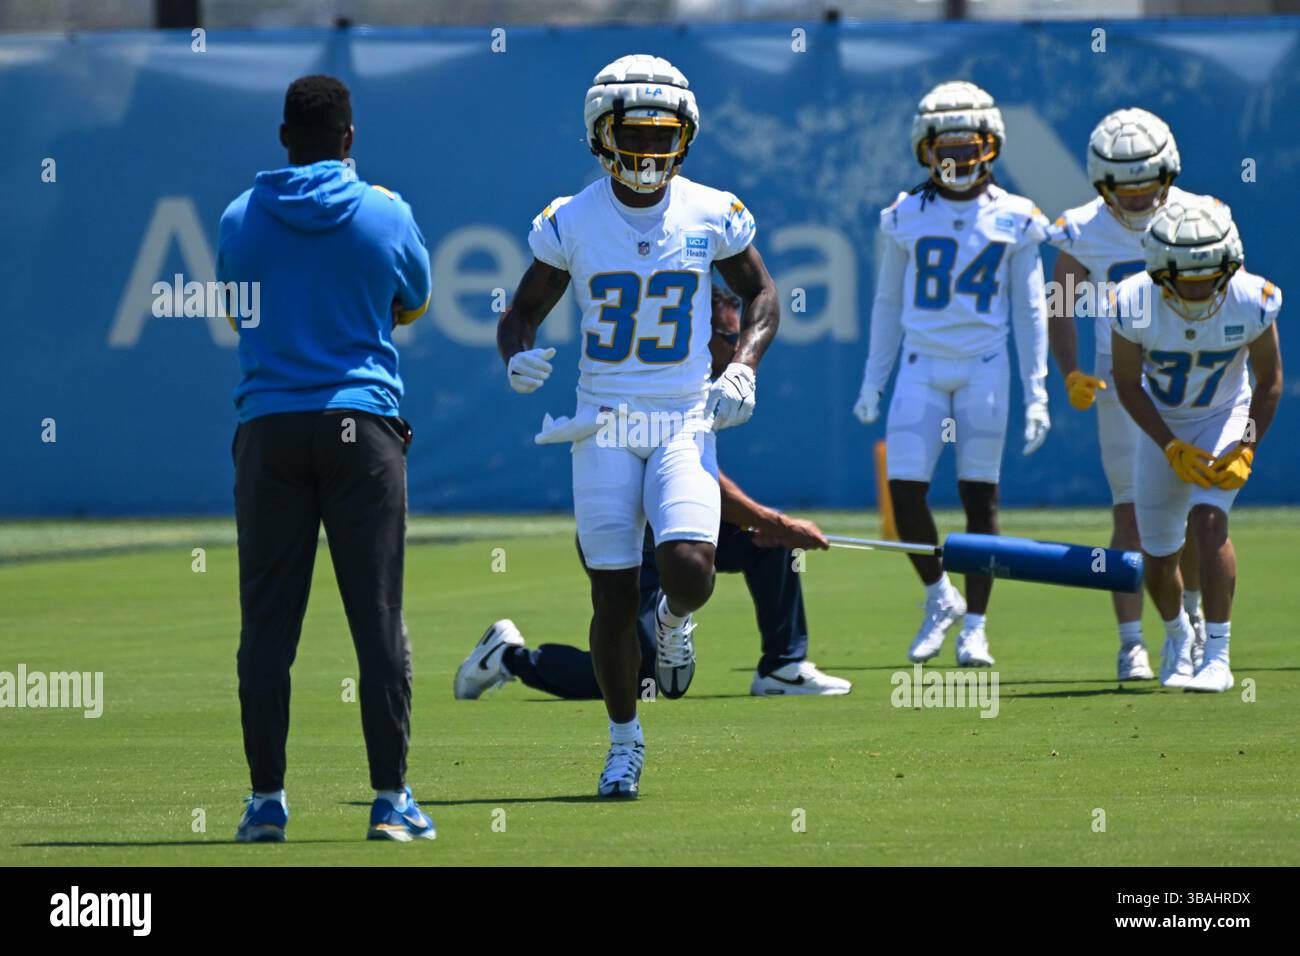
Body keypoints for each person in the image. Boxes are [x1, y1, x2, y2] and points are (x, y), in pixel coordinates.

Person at [495, 54, 779, 799]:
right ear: (601, 134)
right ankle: (624, 742)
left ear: (686, 137)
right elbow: (521, 309)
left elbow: (763, 295)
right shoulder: (573, 218)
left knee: (690, 569)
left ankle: (675, 622)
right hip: (603, 423)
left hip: (685, 416)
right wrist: (517, 355)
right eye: (636, 133)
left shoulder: (711, 210)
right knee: (610, 599)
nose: (650, 151)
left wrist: (742, 365)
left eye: (664, 134)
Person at [219, 75, 436, 842]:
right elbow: (412, 301)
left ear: (284, 137)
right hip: (360, 428)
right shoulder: (386, 212)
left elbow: (238, 306)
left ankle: (265, 804)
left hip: (271, 429)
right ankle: (390, 802)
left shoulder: (241, 218)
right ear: (350, 138)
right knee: (377, 621)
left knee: (266, 629)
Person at [459, 287, 849, 702]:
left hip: (678, 523)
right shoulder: (659, 374)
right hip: (633, 536)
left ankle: (782, 668)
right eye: (728, 337)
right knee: (636, 675)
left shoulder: (716, 383)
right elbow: (704, 475)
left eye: (739, 338)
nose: (738, 348)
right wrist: (774, 520)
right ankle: (508, 657)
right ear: (697, 333)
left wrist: (768, 523)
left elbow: (698, 473)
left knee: (768, 540)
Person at [852, 81, 1051, 667]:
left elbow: (1031, 308)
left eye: (971, 147)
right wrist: (873, 380)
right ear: (925, 148)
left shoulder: (1016, 218)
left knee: (979, 497)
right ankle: (940, 595)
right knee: (905, 490)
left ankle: (978, 627)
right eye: (949, 147)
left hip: (986, 366)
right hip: (920, 363)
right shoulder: (904, 214)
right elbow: (887, 304)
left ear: (991, 148)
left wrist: (1037, 391)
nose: (959, 159)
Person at [1046, 108, 1208, 681]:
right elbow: (1060, 304)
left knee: (1188, 513)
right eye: (1126, 189)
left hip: (1189, 383)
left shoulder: (1198, 216)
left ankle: (1190, 624)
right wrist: (1068, 370)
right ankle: (1132, 641)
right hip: (1120, 384)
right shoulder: (1084, 228)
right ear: (1101, 182)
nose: (1139, 200)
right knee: (1131, 515)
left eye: (1148, 186)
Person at [1109, 196, 1282, 692]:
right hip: (1163, 424)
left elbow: (1269, 381)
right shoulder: (1131, 301)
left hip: (1224, 416)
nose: (1201, 288)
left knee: (1209, 521)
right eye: (1187, 278)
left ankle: (1220, 657)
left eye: (1211, 276)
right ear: (1162, 269)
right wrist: (1168, 445)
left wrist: (1246, 445)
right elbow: (1125, 383)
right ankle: (1177, 635)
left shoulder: (1252, 297)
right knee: (1159, 559)